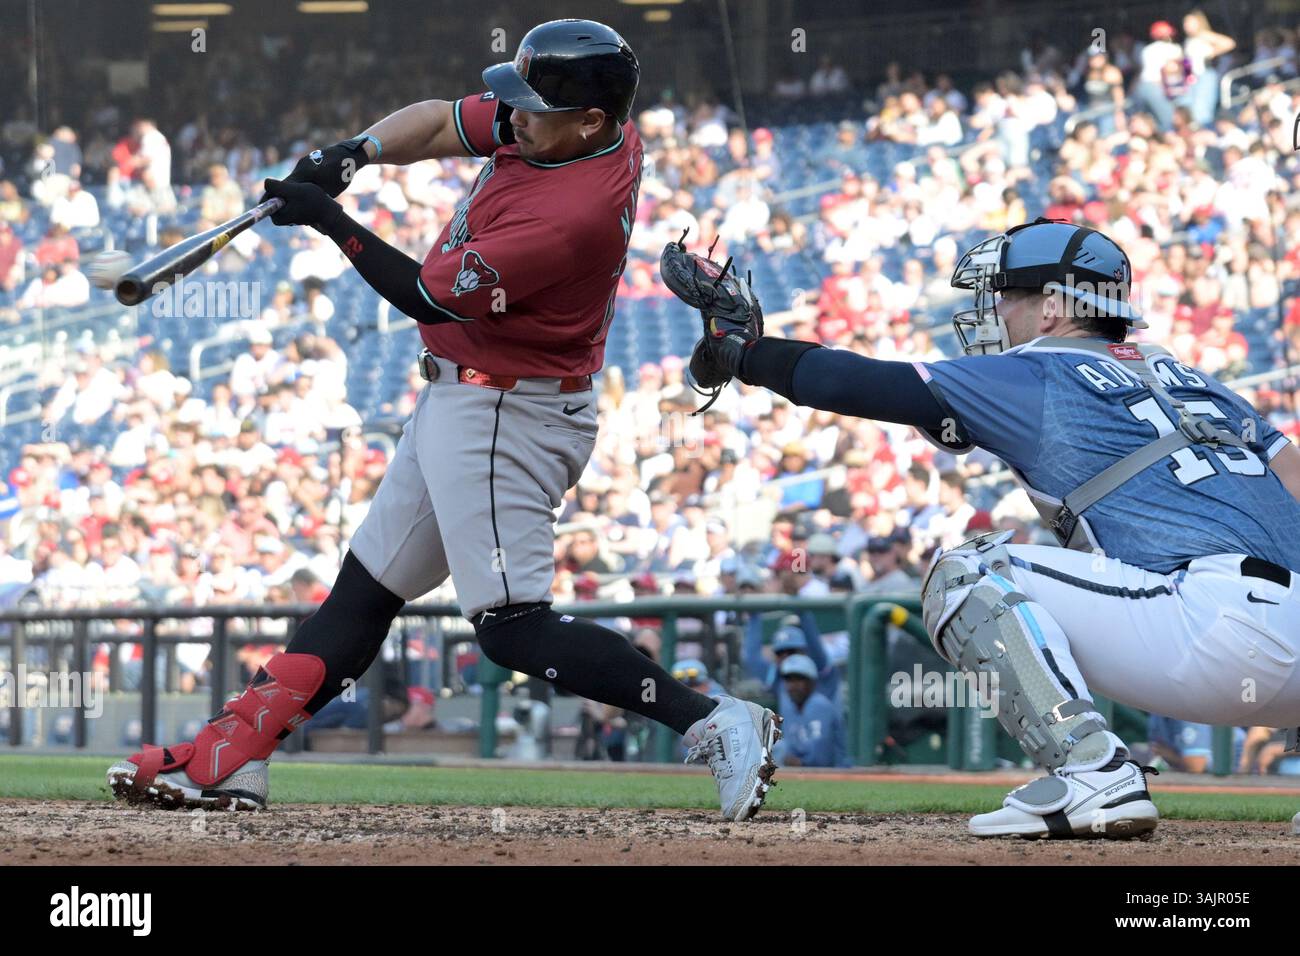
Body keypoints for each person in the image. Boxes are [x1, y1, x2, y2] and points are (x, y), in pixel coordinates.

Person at [107, 19, 779, 823]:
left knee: (511, 629)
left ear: (592, 121)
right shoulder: (564, 129)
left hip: (507, 408)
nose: (514, 117)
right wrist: (352, 154)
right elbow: (433, 120)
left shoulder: (571, 212)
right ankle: (232, 756)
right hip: (461, 397)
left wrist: (330, 218)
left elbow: (426, 294)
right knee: (362, 597)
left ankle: (713, 720)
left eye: (533, 108)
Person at [674, 216, 1300, 838]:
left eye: (1008, 294)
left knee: (967, 573)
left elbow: (855, 381)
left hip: (1214, 636)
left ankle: (1093, 770)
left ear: (1053, 305)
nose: (997, 310)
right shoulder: (1201, 385)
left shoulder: (1039, 370)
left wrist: (746, 353)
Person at [772, 654, 848, 768]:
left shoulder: (819, 706)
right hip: (808, 776)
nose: (793, 686)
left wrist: (787, 759)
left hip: (837, 775)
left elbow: (820, 760)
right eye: (789, 680)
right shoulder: (791, 709)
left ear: (812, 682)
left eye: (799, 679)